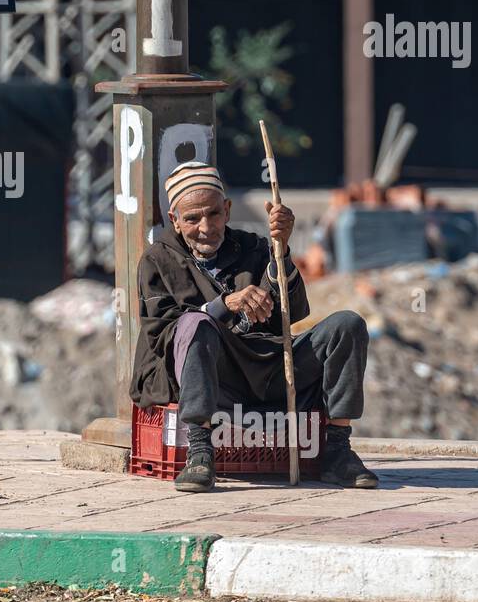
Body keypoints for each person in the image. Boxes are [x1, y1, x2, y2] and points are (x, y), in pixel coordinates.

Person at [130, 161, 379, 493]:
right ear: (174, 220)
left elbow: (287, 315)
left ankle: (337, 449)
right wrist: (224, 305)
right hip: (211, 377)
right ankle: (201, 450)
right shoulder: (157, 261)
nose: (205, 227)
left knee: (346, 325)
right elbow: (162, 333)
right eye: (191, 218)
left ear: (228, 210)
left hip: (266, 366)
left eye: (214, 214)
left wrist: (281, 251)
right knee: (195, 324)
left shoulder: (253, 247)